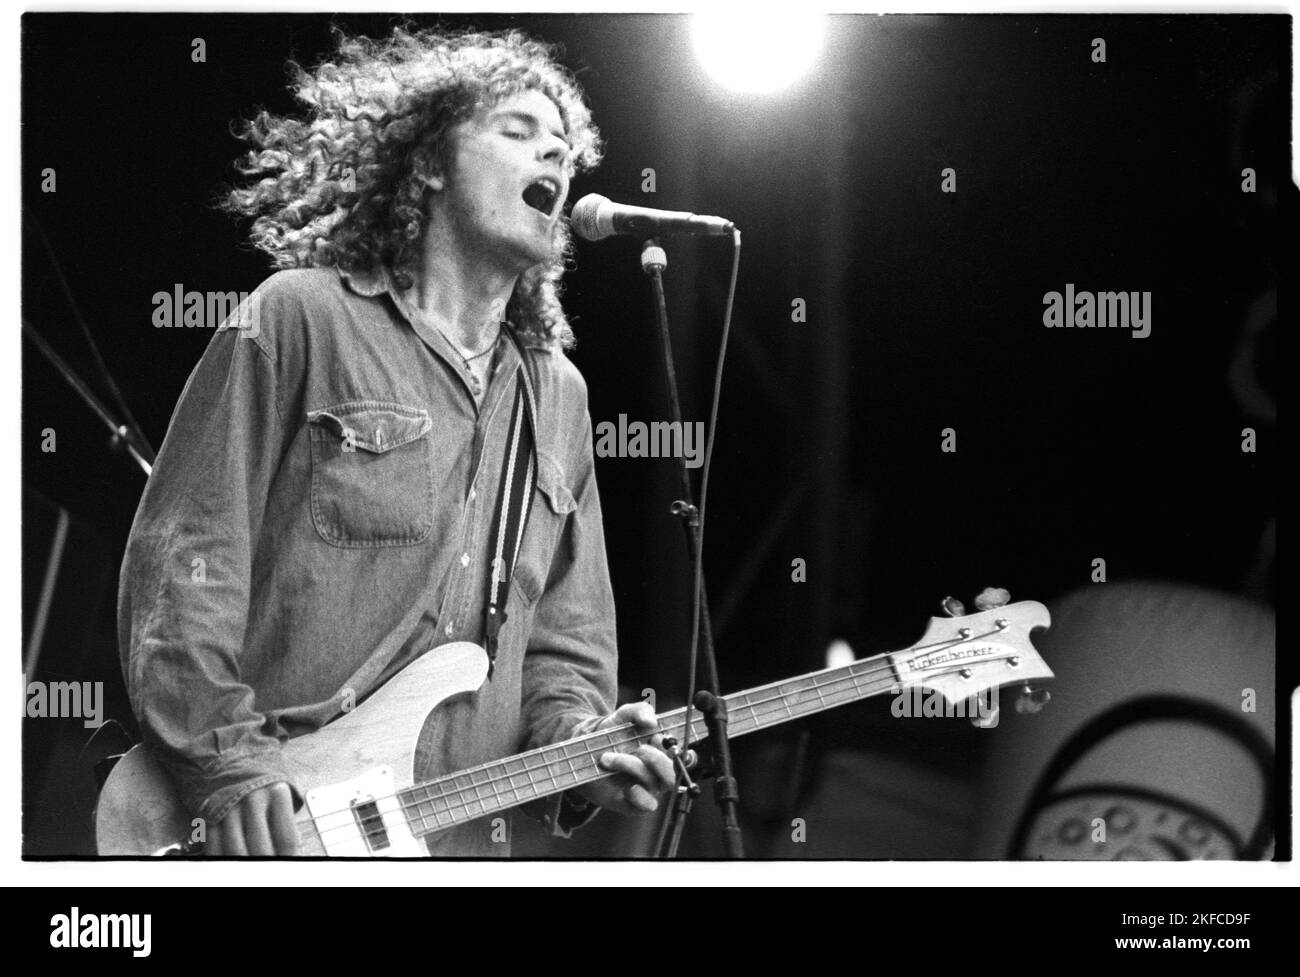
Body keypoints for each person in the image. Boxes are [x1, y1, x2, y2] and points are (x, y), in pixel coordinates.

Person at [117, 26, 675, 856]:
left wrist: (588, 752)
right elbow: (187, 564)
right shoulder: (299, 316)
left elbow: (565, 646)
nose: (552, 159)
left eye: (563, 150)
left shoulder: (558, 394)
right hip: (274, 832)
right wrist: (227, 764)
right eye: (518, 132)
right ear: (429, 165)